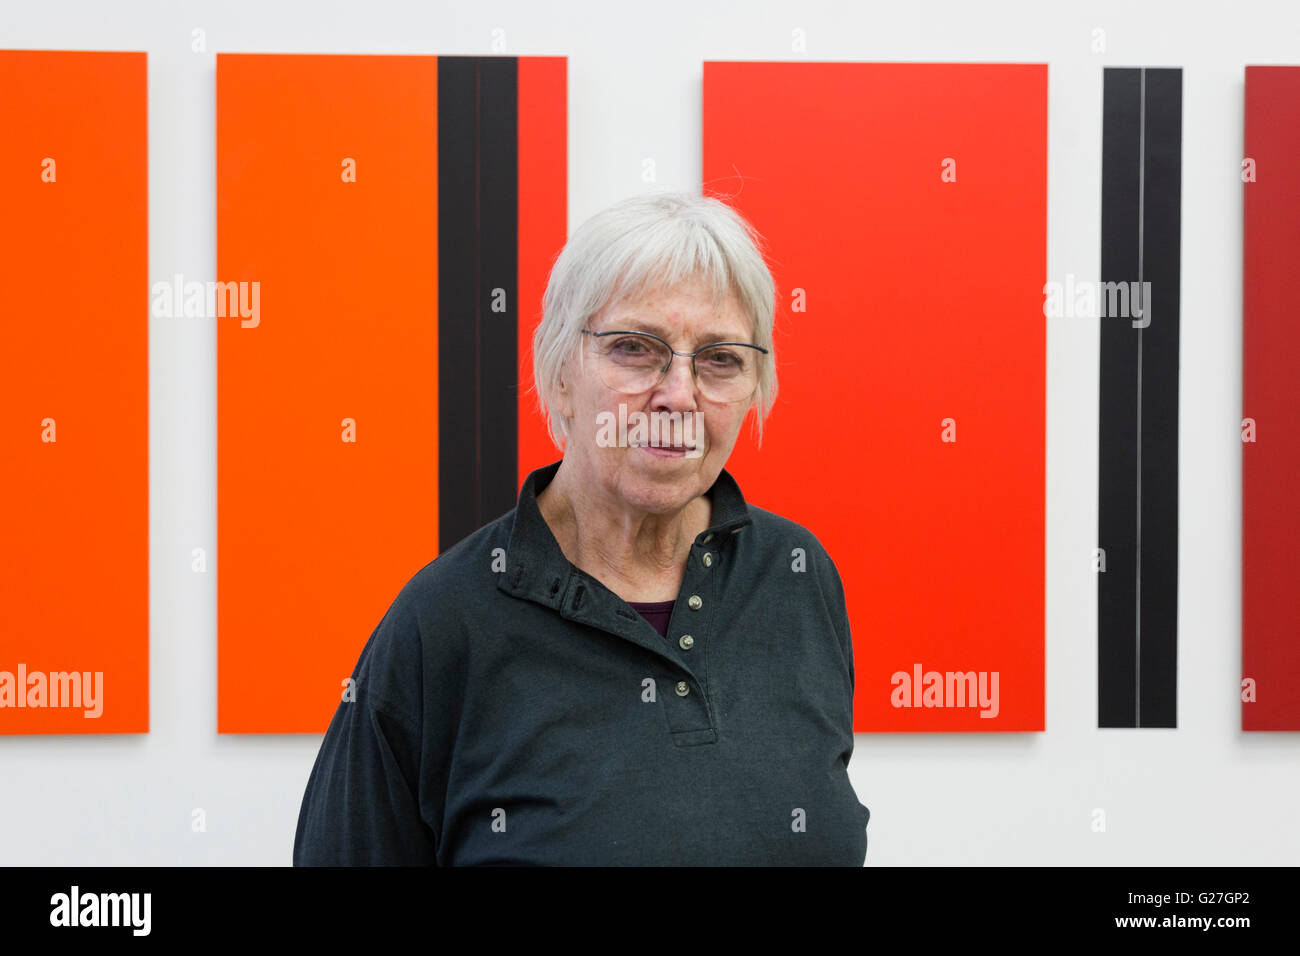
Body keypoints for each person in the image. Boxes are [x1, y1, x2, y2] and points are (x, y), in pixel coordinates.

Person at [292, 190, 870, 865]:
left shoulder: (796, 577)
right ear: (560, 374)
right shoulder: (443, 625)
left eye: (719, 358)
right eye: (635, 347)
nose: (679, 394)